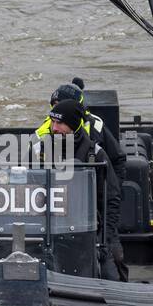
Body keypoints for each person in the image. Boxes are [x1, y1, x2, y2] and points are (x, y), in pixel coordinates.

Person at [36, 99, 126, 280]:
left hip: (90, 227)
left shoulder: (96, 154)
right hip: (46, 226)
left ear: (74, 124)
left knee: (114, 266)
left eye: (59, 123)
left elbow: (111, 198)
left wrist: (105, 239)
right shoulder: (39, 151)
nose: (53, 128)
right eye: (52, 122)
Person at [34, 77, 128, 205]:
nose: (57, 109)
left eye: (61, 104)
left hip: (89, 195)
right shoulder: (45, 130)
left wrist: (110, 192)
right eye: (54, 105)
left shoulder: (96, 127)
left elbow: (117, 160)